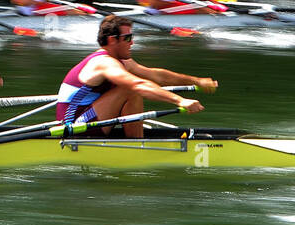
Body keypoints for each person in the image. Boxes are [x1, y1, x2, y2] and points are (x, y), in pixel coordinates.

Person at [56, 15, 217, 137]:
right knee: (130, 89)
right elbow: (137, 85)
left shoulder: (120, 61)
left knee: (132, 86)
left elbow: (156, 75)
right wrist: (180, 100)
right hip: (73, 126)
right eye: (128, 38)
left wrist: (197, 81)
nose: (132, 43)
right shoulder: (104, 63)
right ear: (112, 40)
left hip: (88, 118)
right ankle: (137, 144)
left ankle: (135, 139)